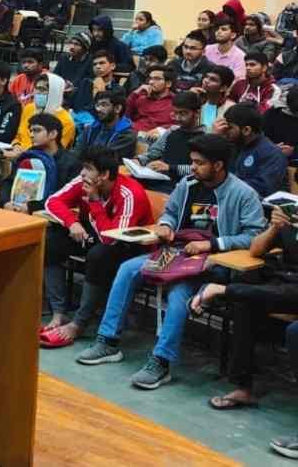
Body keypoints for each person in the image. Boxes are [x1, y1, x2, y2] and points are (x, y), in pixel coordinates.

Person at [76, 134, 265, 389]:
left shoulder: (244, 194)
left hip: (215, 261)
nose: (193, 168)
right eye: (193, 162)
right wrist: (165, 226)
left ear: (218, 165)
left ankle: (161, 362)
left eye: (199, 163)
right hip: (178, 253)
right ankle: (107, 341)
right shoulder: (187, 185)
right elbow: (171, 213)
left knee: (179, 293)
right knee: (127, 269)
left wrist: (212, 244)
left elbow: (254, 236)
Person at [191, 204, 298, 428]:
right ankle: (243, 387)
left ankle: (222, 290)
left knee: (251, 296)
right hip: (285, 281)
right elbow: (255, 251)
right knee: (245, 303)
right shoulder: (292, 217)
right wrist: (274, 227)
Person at [39, 147, 153, 349]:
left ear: (104, 175)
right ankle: (59, 313)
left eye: (88, 168)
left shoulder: (130, 194)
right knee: (51, 242)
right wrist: (72, 222)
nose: (82, 173)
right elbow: (52, 201)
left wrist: (94, 202)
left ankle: (79, 323)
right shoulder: (83, 181)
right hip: (95, 234)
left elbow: (112, 238)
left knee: (99, 255)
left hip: (127, 246)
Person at [0, 114, 70, 212]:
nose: (32, 135)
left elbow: (64, 195)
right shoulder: (28, 156)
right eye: (31, 131)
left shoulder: (69, 162)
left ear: (53, 134)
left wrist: (31, 207)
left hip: (47, 214)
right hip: (16, 209)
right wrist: (6, 202)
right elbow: (8, 182)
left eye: (37, 130)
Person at [140, 92, 207, 193]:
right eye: (175, 113)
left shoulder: (205, 138)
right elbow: (154, 152)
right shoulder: (172, 130)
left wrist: (170, 168)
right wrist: (139, 160)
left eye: (183, 113)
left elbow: (199, 169)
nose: (178, 118)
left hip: (184, 186)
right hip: (161, 179)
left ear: (197, 113)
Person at [221, 103, 289, 198]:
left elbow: (264, 188)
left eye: (229, 128)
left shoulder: (271, 154)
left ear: (246, 130)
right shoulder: (232, 145)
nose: (224, 131)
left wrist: (223, 184)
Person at [11, 72, 76, 152]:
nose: (38, 92)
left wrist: (23, 154)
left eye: (43, 89)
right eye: (37, 88)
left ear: (55, 93)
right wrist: (16, 145)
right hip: (17, 152)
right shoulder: (29, 108)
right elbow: (18, 136)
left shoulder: (66, 121)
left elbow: (54, 152)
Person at [74, 91, 137, 158]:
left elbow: (104, 159)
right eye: (97, 105)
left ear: (117, 108)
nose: (98, 109)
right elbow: (77, 152)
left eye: (104, 105)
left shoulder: (127, 136)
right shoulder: (92, 128)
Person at [124, 65, 176, 136]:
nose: (151, 82)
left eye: (157, 79)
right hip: (131, 134)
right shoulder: (141, 98)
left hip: (155, 138)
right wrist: (135, 93)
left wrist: (161, 130)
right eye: (150, 78)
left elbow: (178, 125)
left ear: (168, 84)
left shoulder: (176, 102)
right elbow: (126, 116)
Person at [263, 88, 298, 166]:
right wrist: (271, 147)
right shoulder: (273, 112)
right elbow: (259, 135)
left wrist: (293, 151)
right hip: (269, 156)